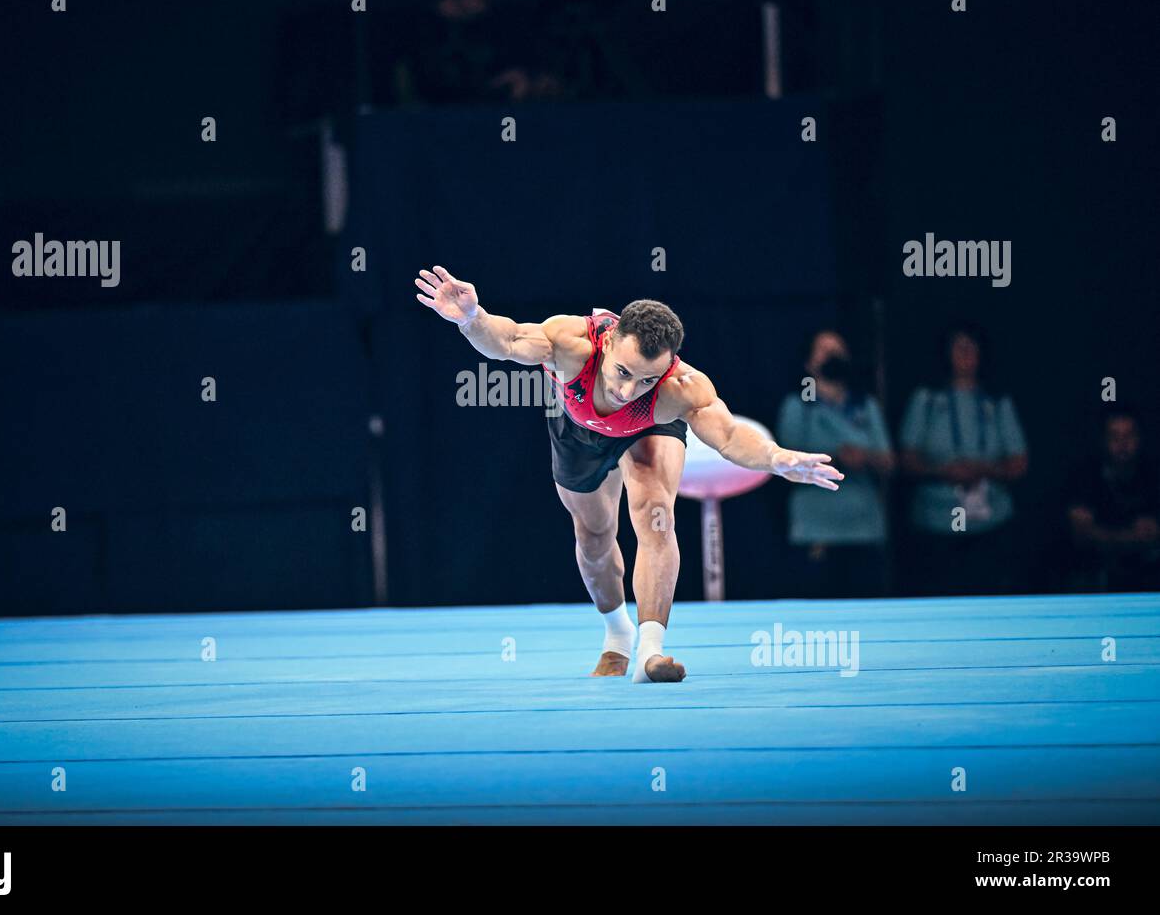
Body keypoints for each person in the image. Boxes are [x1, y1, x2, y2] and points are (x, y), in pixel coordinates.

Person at [415, 265, 843, 683]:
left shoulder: (680, 387)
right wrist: (474, 319)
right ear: (608, 343)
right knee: (595, 537)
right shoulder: (571, 342)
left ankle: (649, 651)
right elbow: (506, 340)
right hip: (576, 430)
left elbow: (729, 437)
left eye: (645, 380)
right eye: (623, 371)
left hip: (649, 429)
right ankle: (618, 631)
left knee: (656, 514)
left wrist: (776, 458)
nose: (626, 390)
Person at [898, 324, 1028, 594]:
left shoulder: (996, 399)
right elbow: (906, 459)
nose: (967, 354)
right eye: (960, 347)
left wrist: (984, 469)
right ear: (946, 354)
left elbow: (1019, 462)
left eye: (973, 348)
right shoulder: (927, 398)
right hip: (936, 521)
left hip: (991, 521)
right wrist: (943, 472)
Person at [776, 331, 894, 598]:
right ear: (808, 363)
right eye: (824, 350)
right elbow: (783, 462)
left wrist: (864, 458)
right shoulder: (797, 406)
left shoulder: (866, 405)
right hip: (815, 530)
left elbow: (888, 462)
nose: (832, 356)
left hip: (865, 528)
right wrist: (837, 458)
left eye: (838, 350)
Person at [1065, 408, 1160, 591]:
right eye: (1114, 436)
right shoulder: (1085, 477)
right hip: (1097, 575)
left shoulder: (1153, 475)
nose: (1122, 443)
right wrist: (1133, 538)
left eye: (1129, 435)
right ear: (1102, 440)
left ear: (1141, 438)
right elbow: (1082, 535)